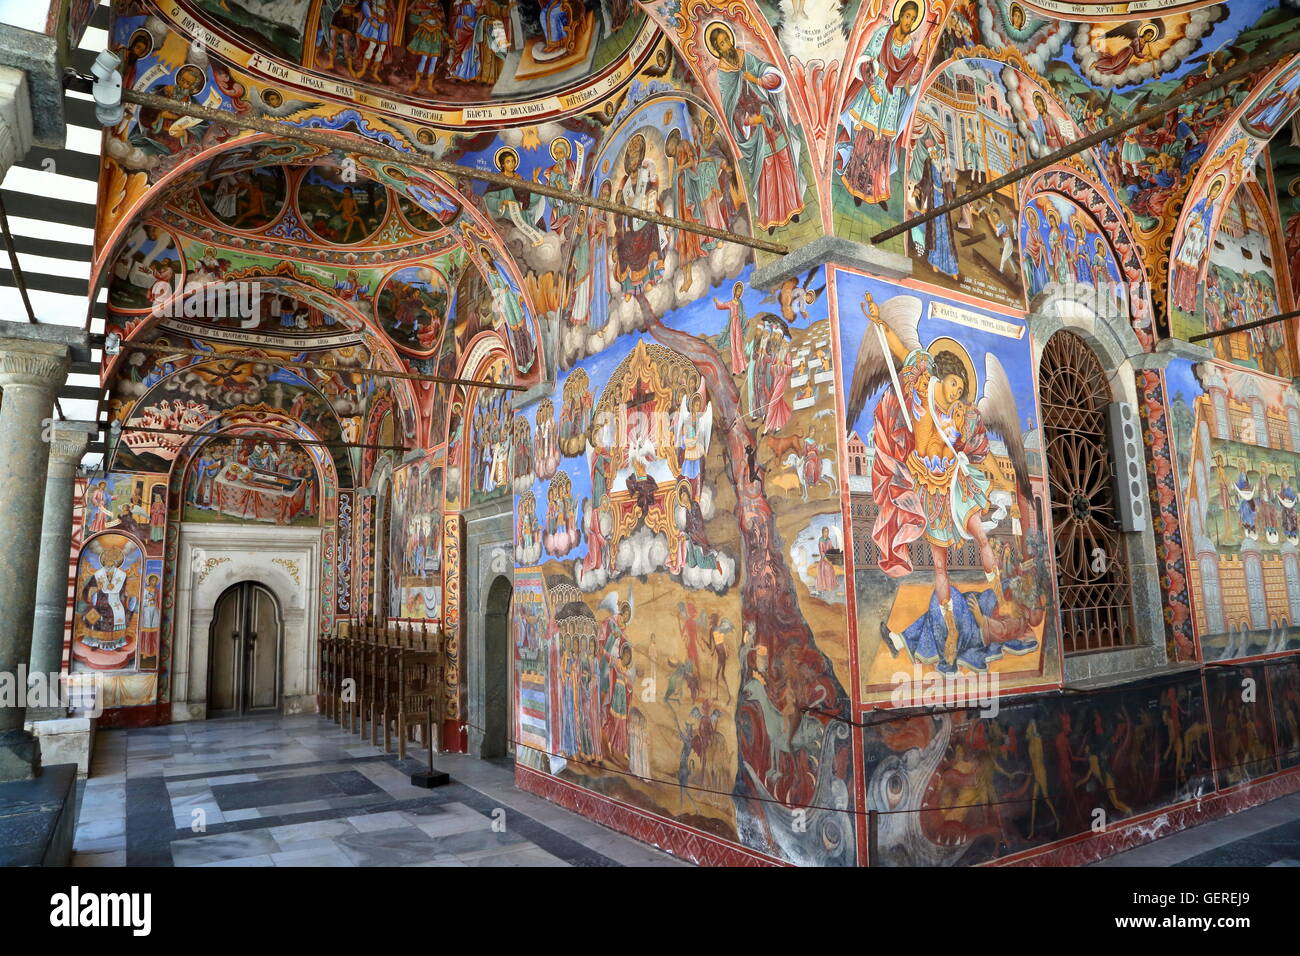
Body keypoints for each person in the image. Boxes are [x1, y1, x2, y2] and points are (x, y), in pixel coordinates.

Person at [707, 22, 805, 232]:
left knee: (784, 160)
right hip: (753, 124)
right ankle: (770, 218)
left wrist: (758, 79)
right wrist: (750, 121)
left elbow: (764, 71)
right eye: (721, 44)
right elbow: (730, 106)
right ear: (717, 50)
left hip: (769, 115)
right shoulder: (724, 74)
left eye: (726, 40)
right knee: (766, 169)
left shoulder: (744, 56)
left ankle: (793, 208)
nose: (726, 45)